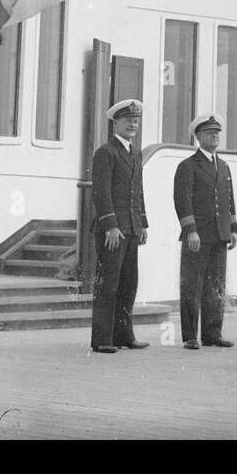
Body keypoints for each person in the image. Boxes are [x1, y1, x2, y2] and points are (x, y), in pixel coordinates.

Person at [173, 113, 237, 349]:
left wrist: (232, 228)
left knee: (216, 285)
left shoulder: (224, 166)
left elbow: (229, 199)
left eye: (217, 132)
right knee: (192, 284)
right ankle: (190, 335)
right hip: (197, 236)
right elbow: (182, 200)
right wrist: (190, 230)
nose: (215, 135)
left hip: (220, 234)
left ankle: (212, 334)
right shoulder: (188, 166)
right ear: (198, 136)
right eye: (210, 132)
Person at [90, 99, 148, 353]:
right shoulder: (106, 152)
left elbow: (138, 191)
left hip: (131, 229)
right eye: (128, 120)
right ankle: (103, 339)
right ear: (116, 122)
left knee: (128, 284)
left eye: (136, 120)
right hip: (112, 231)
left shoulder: (135, 152)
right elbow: (101, 193)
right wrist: (111, 226)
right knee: (108, 285)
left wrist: (143, 223)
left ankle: (124, 335)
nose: (133, 124)